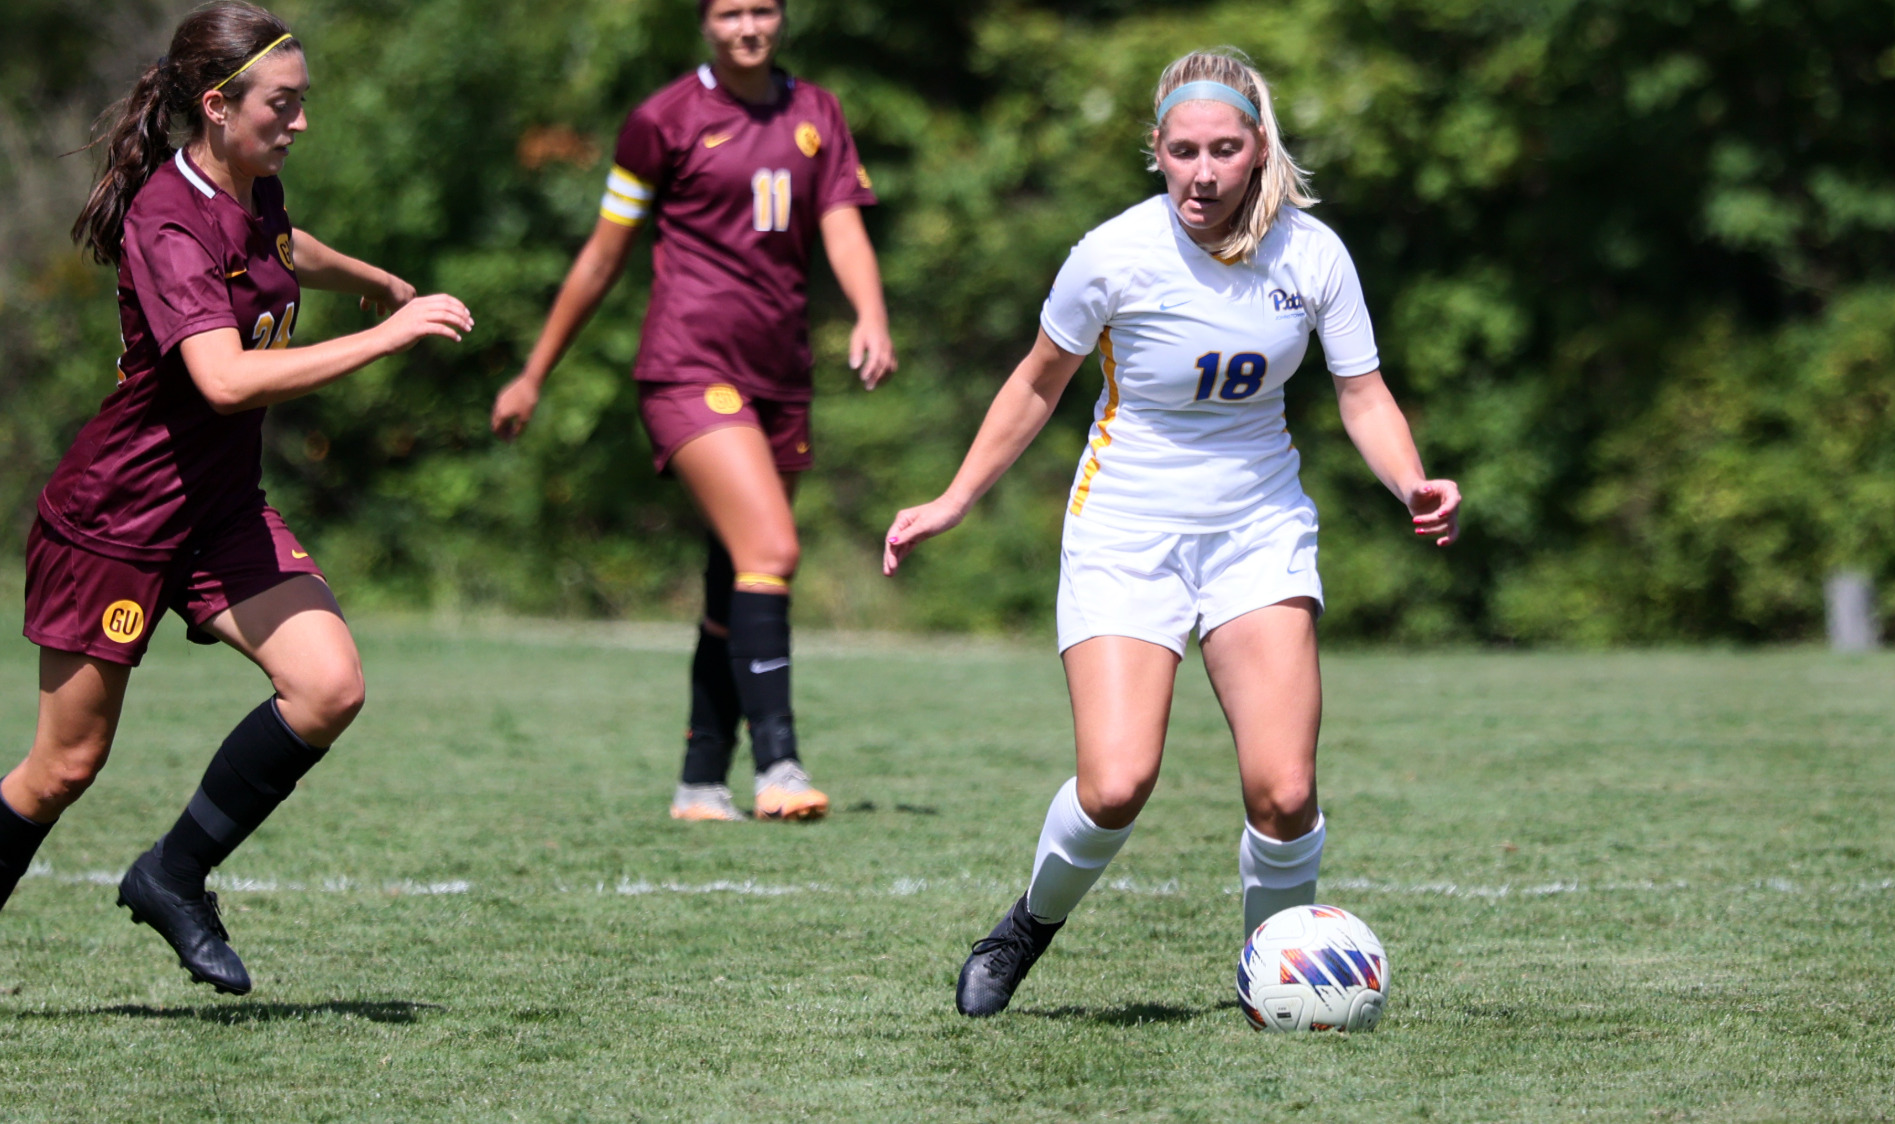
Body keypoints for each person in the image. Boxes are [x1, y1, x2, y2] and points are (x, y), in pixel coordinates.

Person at [0, 1, 473, 1023]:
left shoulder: (251, 186)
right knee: (66, 763)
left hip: (216, 511)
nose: (297, 124)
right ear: (217, 104)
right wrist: (388, 340)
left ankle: (172, 871)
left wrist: (373, 279)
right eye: (281, 106)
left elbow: (283, 245)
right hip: (116, 520)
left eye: (302, 105)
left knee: (329, 683)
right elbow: (221, 380)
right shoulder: (164, 221)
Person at [882, 48, 1462, 1017]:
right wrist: (953, 496)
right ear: (1154, 150)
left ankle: (1269, 974)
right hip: (1125, 529)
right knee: (1115, 782)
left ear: (1257, 149)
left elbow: (1360, 393)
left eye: (1223, 150)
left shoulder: (1311, 255)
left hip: (1257, 529)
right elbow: (1036, 381)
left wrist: (1409, 480)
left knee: (1281, 792)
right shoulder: (1110, 255)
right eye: (1182, 149)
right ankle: (1027, 921)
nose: (1202, 171)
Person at [492, 0, 893, 823]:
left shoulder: (818, 110)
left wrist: (871, 312)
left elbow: (842, 225)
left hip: (781, 376)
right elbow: (604, 255)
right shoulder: (663, 120)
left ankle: (700, 779)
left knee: (736, 576)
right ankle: (778, 764)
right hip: (689, 368)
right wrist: (534, 372)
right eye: (729, 12)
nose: (749, 26)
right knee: (772, 547)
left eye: (763, 10)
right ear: (705, 23)